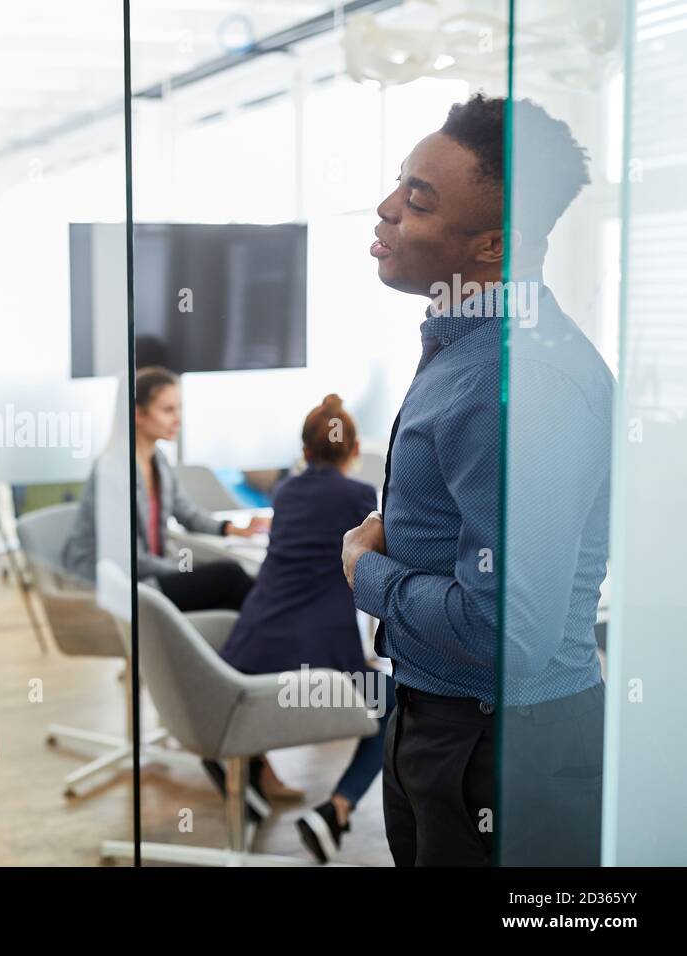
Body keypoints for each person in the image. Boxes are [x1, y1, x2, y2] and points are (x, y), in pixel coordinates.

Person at [342, 93, 611, 866]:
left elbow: (508, 637)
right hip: (441, 721)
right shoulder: (470, 349)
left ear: (494, 245)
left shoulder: (520, 379)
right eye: (400, 182)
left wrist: (369, 572)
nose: (387, 208)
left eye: (417, 200)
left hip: (497, 742)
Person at [216, 394, 392, 862]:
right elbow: (371, 572)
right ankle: (336, 808)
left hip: (246, 658)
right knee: (395, 703)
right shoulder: (358, 498)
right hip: (315, 675)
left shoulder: (286, 492)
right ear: (352, 451)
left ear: (306, 451)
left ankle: (245, 778)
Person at [62, 365, 259, 612]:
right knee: (230, 577)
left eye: (179, 409)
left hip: (148, 573)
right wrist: (184, 570)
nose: (178, 419)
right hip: (121, 585)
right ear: (138, 414)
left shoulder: (158, 461)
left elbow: (186, 511)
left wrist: (231, 529)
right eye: (168, 410)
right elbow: (127, 558)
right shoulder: (113, 471)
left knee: (235, 594)